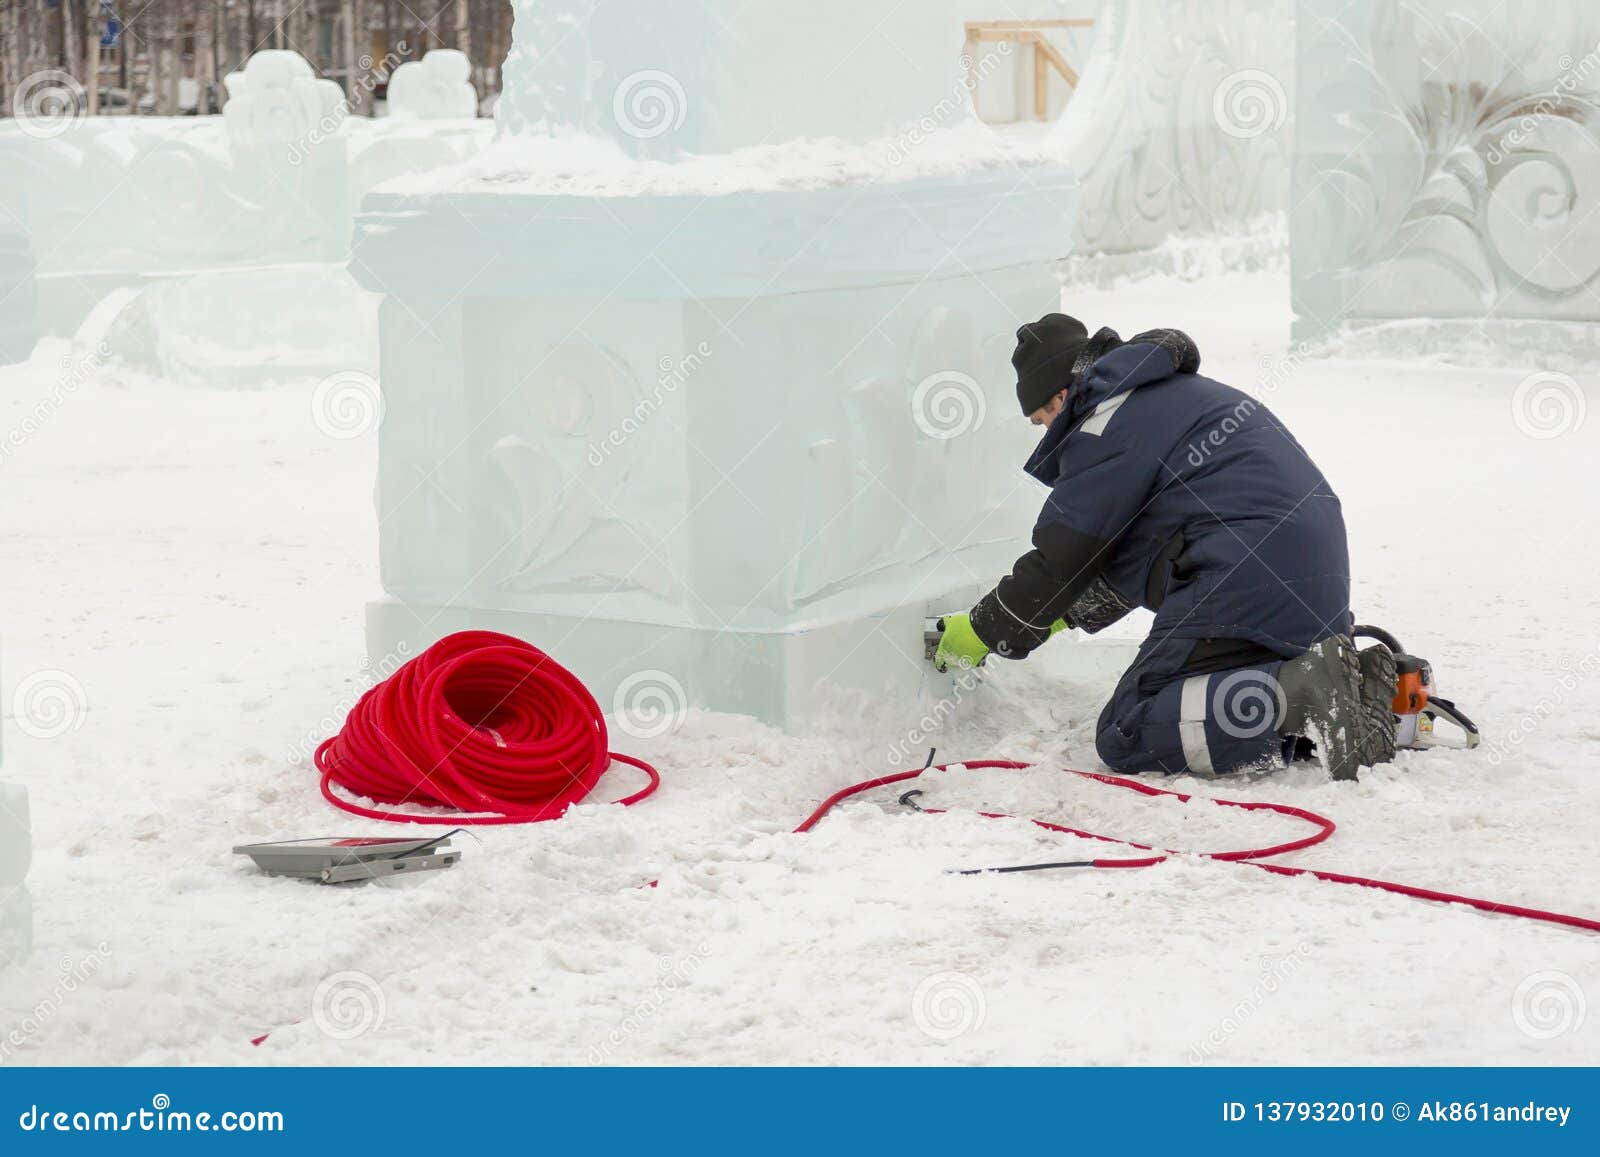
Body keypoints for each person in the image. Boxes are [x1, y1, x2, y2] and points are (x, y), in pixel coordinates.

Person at [932, 314, 1396, 780]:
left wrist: (986, 629)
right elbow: (1138, 549)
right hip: (1304, 582)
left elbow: (1064, 556)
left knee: (1129, 728)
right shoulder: (1169, 397)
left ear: (1059, 394)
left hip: (1245, 576)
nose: (1044, 429)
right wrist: (1058, 616)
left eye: (1042, 418)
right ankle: (1342, 694)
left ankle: (1298, 694)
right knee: (1211, 692)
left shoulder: (1106, 422)